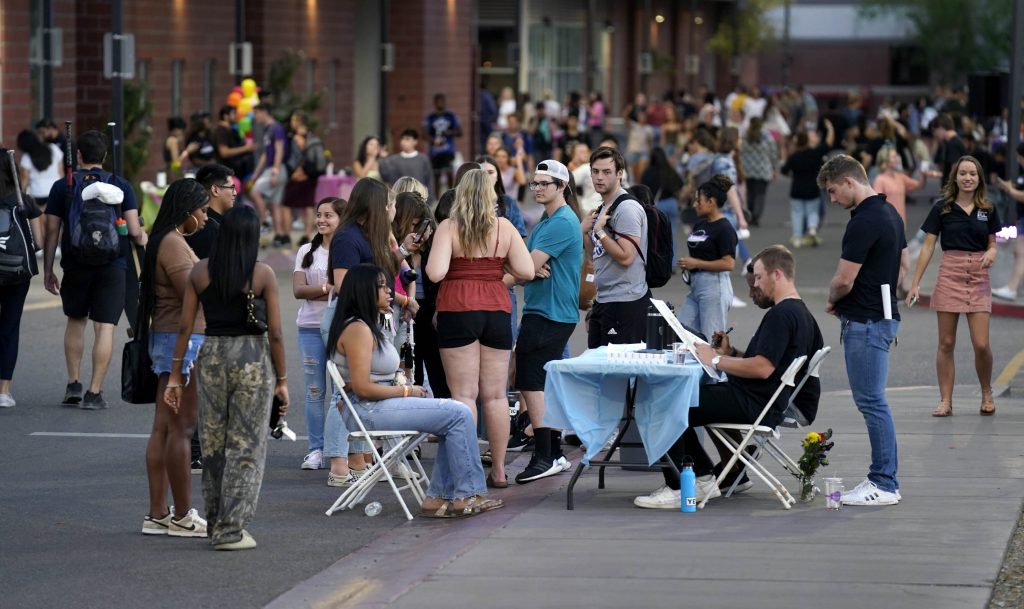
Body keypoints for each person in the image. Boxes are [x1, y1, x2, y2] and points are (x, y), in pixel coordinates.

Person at [634, 246, 823, 508]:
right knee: (683, 396)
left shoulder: (782, 315)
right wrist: (731, 353)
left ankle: (690, 481)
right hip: (767, 400)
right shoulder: (802, 315)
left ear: (776, 274)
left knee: (667, 400)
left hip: (755, 402)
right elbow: (771, 363)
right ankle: (712, 475)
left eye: (758, 277)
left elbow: (763, 368)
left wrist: (713, 359)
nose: (754, 284)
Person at [327, 264, 502, 518]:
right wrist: (406, 391)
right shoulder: (358, 329)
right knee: (458, 413)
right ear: (363, 290)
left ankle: (438, 497)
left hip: (373, 405)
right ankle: (467, 494)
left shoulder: (366, 325)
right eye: (382, 286)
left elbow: (363, 382)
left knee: (453, 417)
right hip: (368, 410)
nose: (390, 291)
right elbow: (363, 388)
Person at [165, 206, 289, 550]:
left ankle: (216, 521)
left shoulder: (201, 271)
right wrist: (282, 379)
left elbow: (185, 326)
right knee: (246, 445)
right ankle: (232, 530)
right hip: (251, 357)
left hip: (212, 356)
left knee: (213, 444)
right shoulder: (261, 274)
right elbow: (276, 333)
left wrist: (175, 376)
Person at [426, 169, 534, 490]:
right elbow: (527, 270)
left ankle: (467, 470)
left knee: (463, 396)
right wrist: (494, 270)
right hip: (496, 307)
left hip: (457, 307)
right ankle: (499, 470)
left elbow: (434, 273)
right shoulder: (505, 227)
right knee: (496, 395)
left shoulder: (449, 227)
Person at [323, 178, 423, 485]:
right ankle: (338, 465)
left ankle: (358, 460)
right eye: (389, 204)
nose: (393, 209)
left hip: (369, 319)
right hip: (349, 320)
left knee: (364, 389)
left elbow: (384, 274)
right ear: (375, 206)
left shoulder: (375, 236)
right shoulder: (347, 238)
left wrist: (399, 255)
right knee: (345, 391)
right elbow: (344, 284)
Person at [820, 154, 906, 507]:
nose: (832, 199)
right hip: (882, 315)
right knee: (874, 401)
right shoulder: (890, 214)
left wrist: (830, 299)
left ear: (849, 181)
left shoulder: (864, 221)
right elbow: (902, 268)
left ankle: (883, 482)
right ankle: (883, 479)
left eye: (833, 191)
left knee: (872, 401)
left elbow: (843, 279)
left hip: (866, 321)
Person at [43, 130, 148, 409]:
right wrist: (144, 237)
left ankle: (73, 383)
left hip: (76, 263)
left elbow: (51, 232)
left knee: (76, 321)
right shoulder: (121, 185)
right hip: (113, 265)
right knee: (105, 328)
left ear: (78, 155)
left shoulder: (63, 186)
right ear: (104, 156)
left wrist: (48, 269)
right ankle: (94, 392)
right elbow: (135, 233)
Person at [139, 178, 210, 539]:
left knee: (165, 428)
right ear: (187, 211)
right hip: (179, 342)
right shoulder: (173, 244)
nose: (206, 217)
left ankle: (158, 514)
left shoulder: (167, 239)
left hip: (168, 338)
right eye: (202, 210)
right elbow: (192, 291)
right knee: (180, 429)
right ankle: (182, 516)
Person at [906, 156, 1000, 417]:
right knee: (946, 342)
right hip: (950, 273)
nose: (968, 178)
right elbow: (927, 246)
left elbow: (993, 242)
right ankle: (946, 400)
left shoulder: (988, 209)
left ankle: (986, 392)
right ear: (955, 178)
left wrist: (992, 251)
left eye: (973, 174)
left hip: (979, 275)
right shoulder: (942, 208)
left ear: (979, 178)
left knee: (981, 344)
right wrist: (915, 284)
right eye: (963, 173)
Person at [507, 160, 582, 484]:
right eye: (534, 183)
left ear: (561, 187)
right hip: (544, 310)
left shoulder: (562, 222)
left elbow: (519, 267)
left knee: (531, 381)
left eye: (543, 183)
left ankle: (545, 454)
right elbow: (522, 263)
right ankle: (555, 453)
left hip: (550, 312)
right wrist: (527, 268)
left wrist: (524, 270)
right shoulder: (547, 221)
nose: (536, 188)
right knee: (539, 382)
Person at [581, 146, 649, 348]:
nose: (599, 177)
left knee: (617, 373)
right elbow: (596, 256)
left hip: (626, 302)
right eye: (595, 171)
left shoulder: (627, 209)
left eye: (606, 172)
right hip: (604, 300)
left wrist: (600, 232)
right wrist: (587, 232)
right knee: (599, 370)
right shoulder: (603, 207)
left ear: (620, 174)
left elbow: (626, 257)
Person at [293, 197, 343, 471]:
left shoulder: (346, 249)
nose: (322, 220)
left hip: (339, 329)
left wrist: (324, 289)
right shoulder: (306, 251)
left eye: (329, 215)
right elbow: (299, 291)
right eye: (319, 215)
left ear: (341, 219)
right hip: (309, 329)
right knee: (314, 391)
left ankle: (338, 449)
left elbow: (349, 290)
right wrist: (330, 287)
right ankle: (316, 449)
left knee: (340, 391)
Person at [0, 146, 43, 408]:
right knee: (9, 328)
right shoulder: (23, 200)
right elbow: (37, 242)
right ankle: (3, 391)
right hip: (16, 272)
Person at [677, 174, 739, 343]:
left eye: (699, 200)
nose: (695, 204)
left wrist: (697, 263)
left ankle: (716, 369)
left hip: (714, 287)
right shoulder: (700, 224)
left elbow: (729, 263)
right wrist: (689, 264)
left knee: (712, 341)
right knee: (681, 332)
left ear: (711, 202)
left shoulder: (725, 228)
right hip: (696, 286)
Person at [780, 120, 834, 248]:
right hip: (812, 188)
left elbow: (784, 170)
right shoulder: (815, 153)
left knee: (797, 212)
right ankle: (812, 229)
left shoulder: (794, 157)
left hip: (797, 188)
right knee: (812, 211)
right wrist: (830, 129)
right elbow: (828, 144)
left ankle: (797, 236)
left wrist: (792, 173)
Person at [250, 103, 290, 244]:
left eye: (256, 113)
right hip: (273, 169)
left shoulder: (276, 128)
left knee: (255, 192)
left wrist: (275, 171)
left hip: (276, 168)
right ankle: (279, 235)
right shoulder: (268, 129)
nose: (255, 117)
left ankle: (264, 220)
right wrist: (256, 173)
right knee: (275, 204)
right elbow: (265, 155)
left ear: (263, 111)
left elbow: (279, 150)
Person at [16, 128, 62, 248]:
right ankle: (55, 246)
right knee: (54, 221)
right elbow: (61, 171)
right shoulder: (53, 149)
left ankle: (41, 246)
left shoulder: (27, 157)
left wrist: (20, 195)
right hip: (55, 190)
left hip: (38, 192)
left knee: (40, 221)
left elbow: (24, 179)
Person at [283, 111, 320, 245]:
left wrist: (293, 172)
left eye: (293, 120)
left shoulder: (296, 138)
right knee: (309, 205)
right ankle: (306, 235)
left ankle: (286, 235)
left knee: (286, 204)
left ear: (298, 121)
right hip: (311, 176)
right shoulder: (312, 136)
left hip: (298, 176)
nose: (291, 123)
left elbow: (295, 158)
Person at [186, 164, 237, 259]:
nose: (235, 193)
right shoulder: (207, 228)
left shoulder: (215, 222)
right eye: (232, 188)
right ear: (215, 190)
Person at [640, 147, 684, 256]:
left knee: (656, 235)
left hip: (657, 206)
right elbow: (680, 184)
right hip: (672, 203)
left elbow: (642, 188)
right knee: (672, 233)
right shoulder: (670, 170)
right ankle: (672, 263)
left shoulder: (648, 172)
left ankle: (659, 261)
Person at [739, 116, 779, 227]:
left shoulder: (745, 135)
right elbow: (773, 153)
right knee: (760, 194)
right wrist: (774, 168)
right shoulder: (766, 136)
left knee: (750, 193)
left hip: (747, 169)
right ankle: (756, 215)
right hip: (763, 170)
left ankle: (750, 214)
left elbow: (739, 150)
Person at [379, 129, 434, 201]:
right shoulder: (393, 160)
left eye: (407, 139)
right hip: (399, 199)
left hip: (420, 199)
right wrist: (383, 159)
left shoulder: (423, 159)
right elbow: (386, 177)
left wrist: (429, 198)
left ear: (415, 141)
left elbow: (429, 180)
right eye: (402, 139)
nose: (403, 142)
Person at [424, 93, 463, 194]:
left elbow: (460, 132)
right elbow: (423, 134)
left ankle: (450, 196)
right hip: (435, 152)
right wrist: (433, 141)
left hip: (448, 150)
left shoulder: (451, 116)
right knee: (436, 175)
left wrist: (449, 132)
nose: (441, 104)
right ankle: (437, 200)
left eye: (442, 101)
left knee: (449, 173)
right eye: (438, 101)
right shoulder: (430, 117)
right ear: (435, 103)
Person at [211, 106, 256, 183]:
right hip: (226, 173)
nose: (236, 116)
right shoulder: (220, 130)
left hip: (237, 172)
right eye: (234, 113)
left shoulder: (232, 130)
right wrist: (247, 148)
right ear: (225, 116)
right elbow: (224, 152)